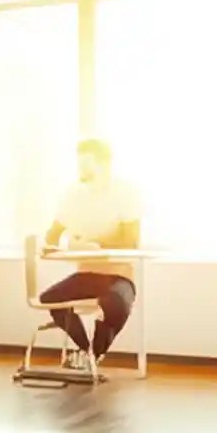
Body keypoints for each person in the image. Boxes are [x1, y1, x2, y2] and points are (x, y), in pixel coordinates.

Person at [40, 139, 141, 369]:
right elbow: (52, 235)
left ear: (104, 164)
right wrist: (62, 243)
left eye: (86, 164)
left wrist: (94, 243)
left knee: (115, 302)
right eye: (79, 164)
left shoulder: (125, 192)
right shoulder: (74, 194)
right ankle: (85, 350)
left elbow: (130, 239)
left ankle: (95, 352)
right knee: (51, 299)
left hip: (119, 276)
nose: (81, 170)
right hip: (87, 275)